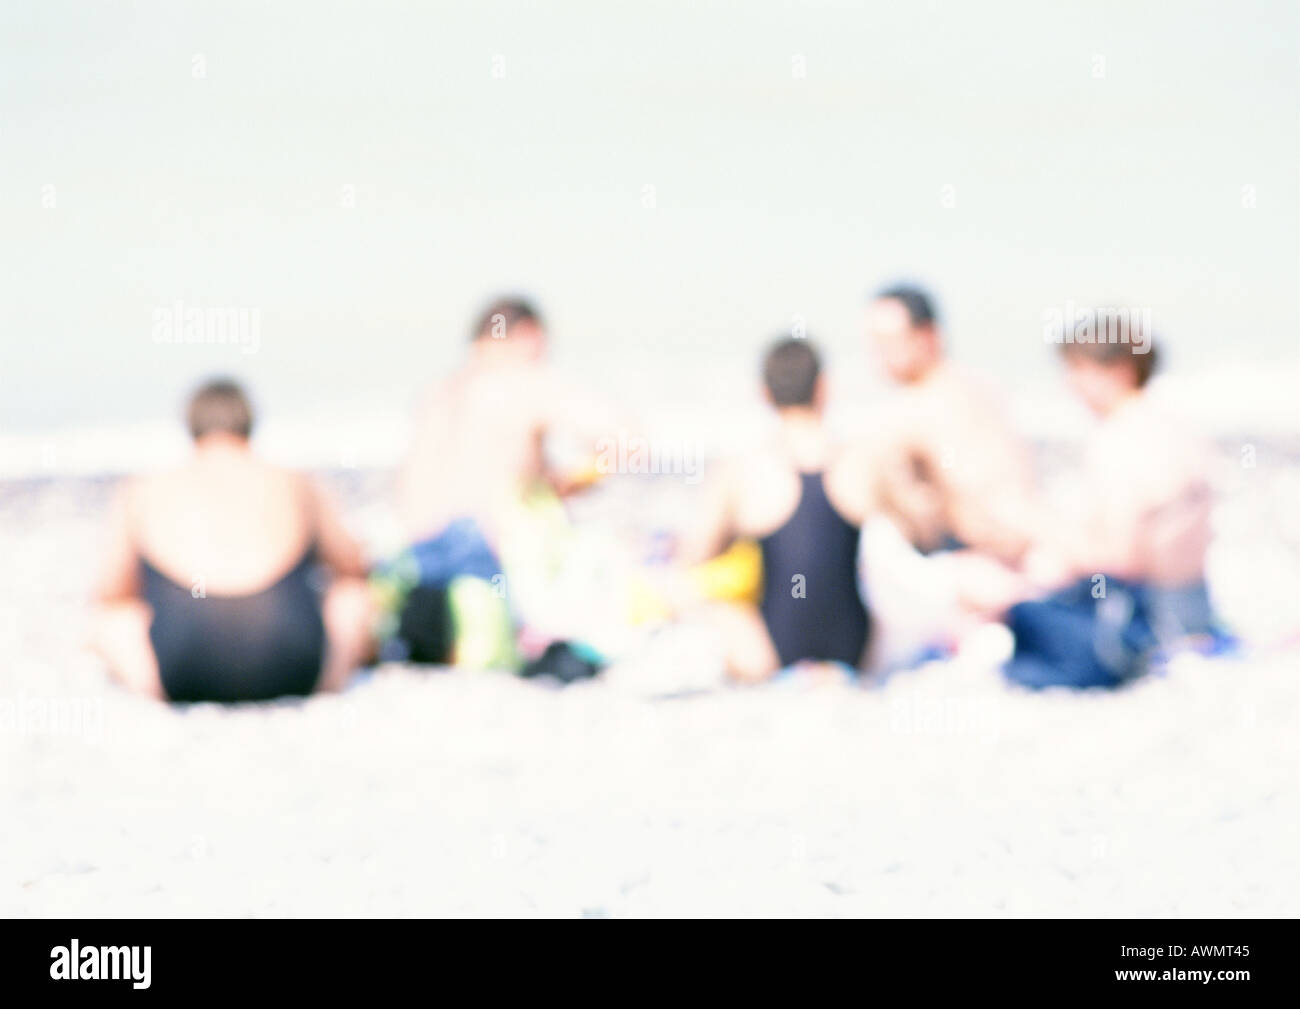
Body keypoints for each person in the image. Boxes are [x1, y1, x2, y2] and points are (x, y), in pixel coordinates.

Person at [90, 379, 374, 702]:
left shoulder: (143, 487)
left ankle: (151, 686)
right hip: (292, 658)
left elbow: (111, 591)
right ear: (250, 423)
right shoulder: (294, 479)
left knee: (110, 620)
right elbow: (352, 566)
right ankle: (329, 681)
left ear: (191, 426)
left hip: (184, 661)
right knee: (354, 598)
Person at [389, 296, 619, 666]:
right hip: (492, 556)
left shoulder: (438, 393)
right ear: (530, 335)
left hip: (414, 563)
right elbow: (628, 443)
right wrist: (568, 482)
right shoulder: (526, 380)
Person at [1005, 313, 1218, 687]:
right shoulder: (1175, 427)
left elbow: (1121, 558)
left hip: (1140, 625)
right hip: (1195, 612)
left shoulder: (1118, 439)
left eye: (1077, 370)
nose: (1069, 385)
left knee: (1019, 609)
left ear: (1119, 370)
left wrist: (1043, 532)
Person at [675, 337, 875, 682]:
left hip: (772, 648)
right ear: (823, 388)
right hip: (855, 645)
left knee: (687, 592)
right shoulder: (861, 462)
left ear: (763, 393)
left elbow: (694, 557)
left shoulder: (743, 470)